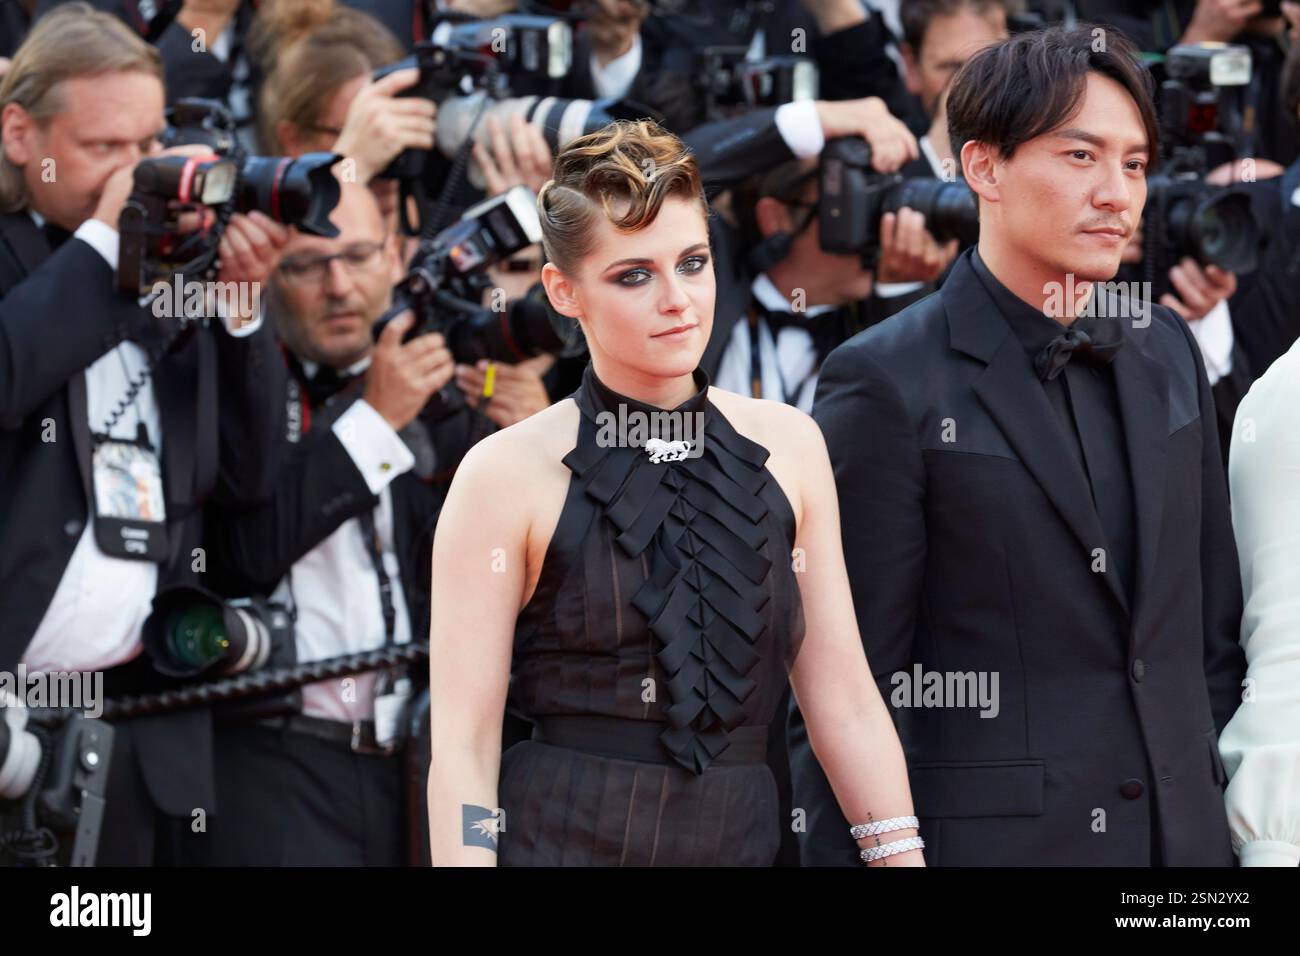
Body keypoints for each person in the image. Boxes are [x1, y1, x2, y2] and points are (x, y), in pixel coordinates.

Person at [788, 24, 1245, 866]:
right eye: (1081, 157)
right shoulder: (884, 381)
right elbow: (844, 689)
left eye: (1135, 164)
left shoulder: (1167, 348)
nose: (1117, 193)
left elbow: (1213, 633)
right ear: (983, 167)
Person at [427, 118, 923, 867]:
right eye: (634, 275)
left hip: (745, 838)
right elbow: (463, 744)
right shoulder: (505, 474)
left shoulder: (789, 446)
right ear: (564, 292)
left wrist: (899, 860)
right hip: (558, 839)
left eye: (692, 263)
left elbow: (844, 701)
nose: (677, 299)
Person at [0, 3, 287, 864]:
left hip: (134, 734)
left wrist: (240, 307)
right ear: (21, 135)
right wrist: (100, 245)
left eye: (147, 147)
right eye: (103, 151)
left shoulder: (173, 262)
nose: (139, 177)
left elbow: (244, 480)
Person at [197, 182, 447, 865]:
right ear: (268, 273)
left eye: (359, 256)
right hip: (276, 763)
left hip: (416, 764)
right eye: (307, 265)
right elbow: (243, 553)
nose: (338, 285)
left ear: (397, 258)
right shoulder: (237, 379)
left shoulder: (433, 382)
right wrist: (374, 422)